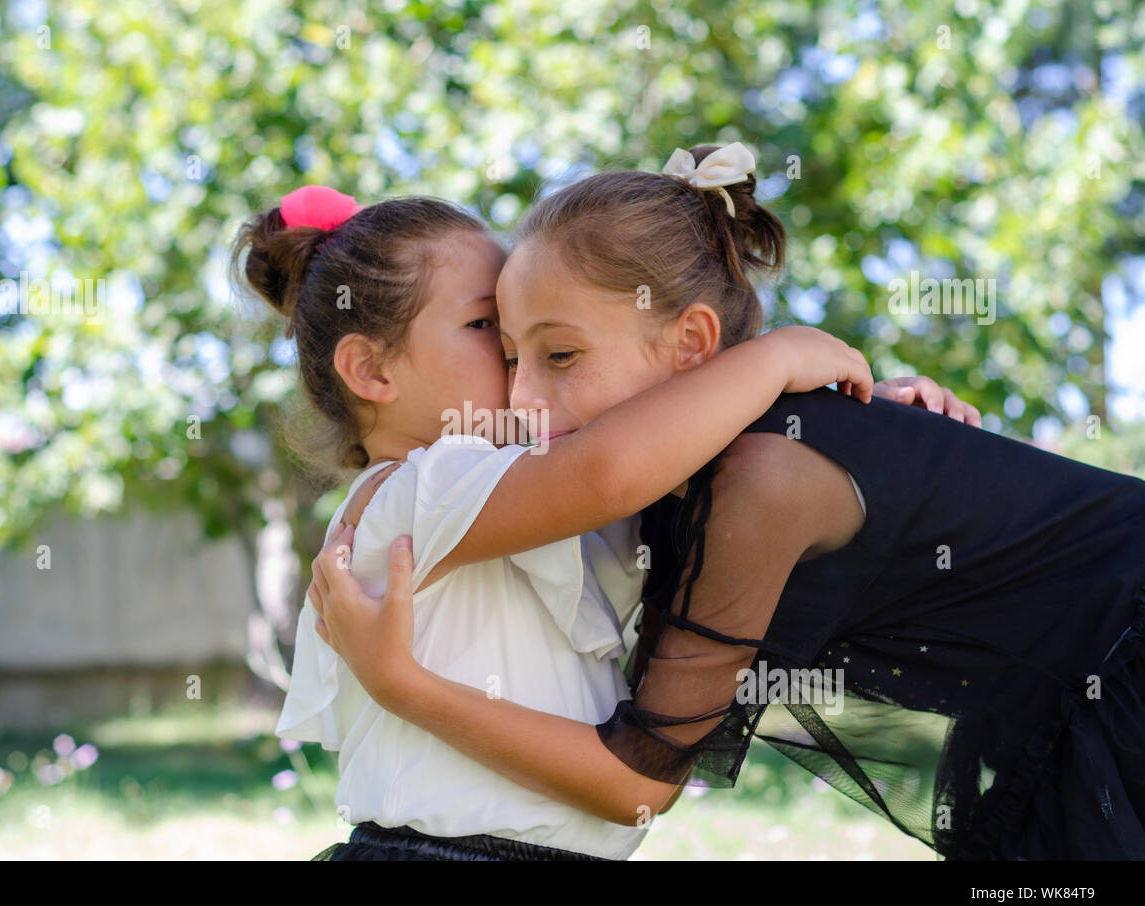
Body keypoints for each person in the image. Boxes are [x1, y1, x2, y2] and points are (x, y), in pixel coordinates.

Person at [307, 145, 1145, 860]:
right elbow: (609, 472)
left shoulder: (760, 474)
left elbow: (637, 778)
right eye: (502, 346)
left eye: (556, 354)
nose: (522, 394)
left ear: (694, 343)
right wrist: (785, 370)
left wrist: (821, 391)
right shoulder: (642, 496)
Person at [234, 183, 880, 860]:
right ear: (370, 370)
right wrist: (775, 358)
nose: (517, 361)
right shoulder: (412, 492)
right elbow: (610, 470)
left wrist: (851, 410)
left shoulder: (527, 490)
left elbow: (676, 445)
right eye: (488, 326)